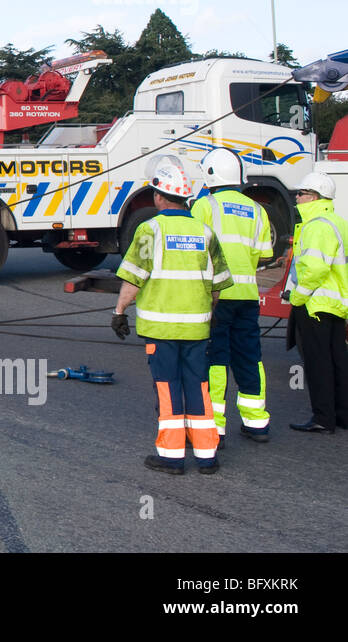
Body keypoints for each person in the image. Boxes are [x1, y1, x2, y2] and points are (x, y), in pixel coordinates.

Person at [112, 156, 231, 475]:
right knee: (198, 387)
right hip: (197, 329)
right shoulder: (204, 232)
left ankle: (172, 457)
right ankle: (208, 456)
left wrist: (120, 311)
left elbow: (133, 278)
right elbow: (217, 283)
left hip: (162, 331)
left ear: (159, 197)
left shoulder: (150, 231)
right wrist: (211, 311)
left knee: (167, 388)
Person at [191, 149, 273, 445]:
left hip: (216, 296)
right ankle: (256, 422)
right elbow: (264, 255)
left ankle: (215, 427)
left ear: (210, 175)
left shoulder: (204, 206)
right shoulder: (257, 209)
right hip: (248, 296)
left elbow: (195, 251)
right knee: (250, 356)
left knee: (215, 358)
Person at [285, 172, 348, 433]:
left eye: (301, 193)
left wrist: (298, 298)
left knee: (317, 362)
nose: (297, 198)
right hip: (335, 304)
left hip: (314, 304)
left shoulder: (316, 226)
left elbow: (314, 270)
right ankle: (342, 415)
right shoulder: (338, 222)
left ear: (316, 197)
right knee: (338, 360)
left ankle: (323, 418)